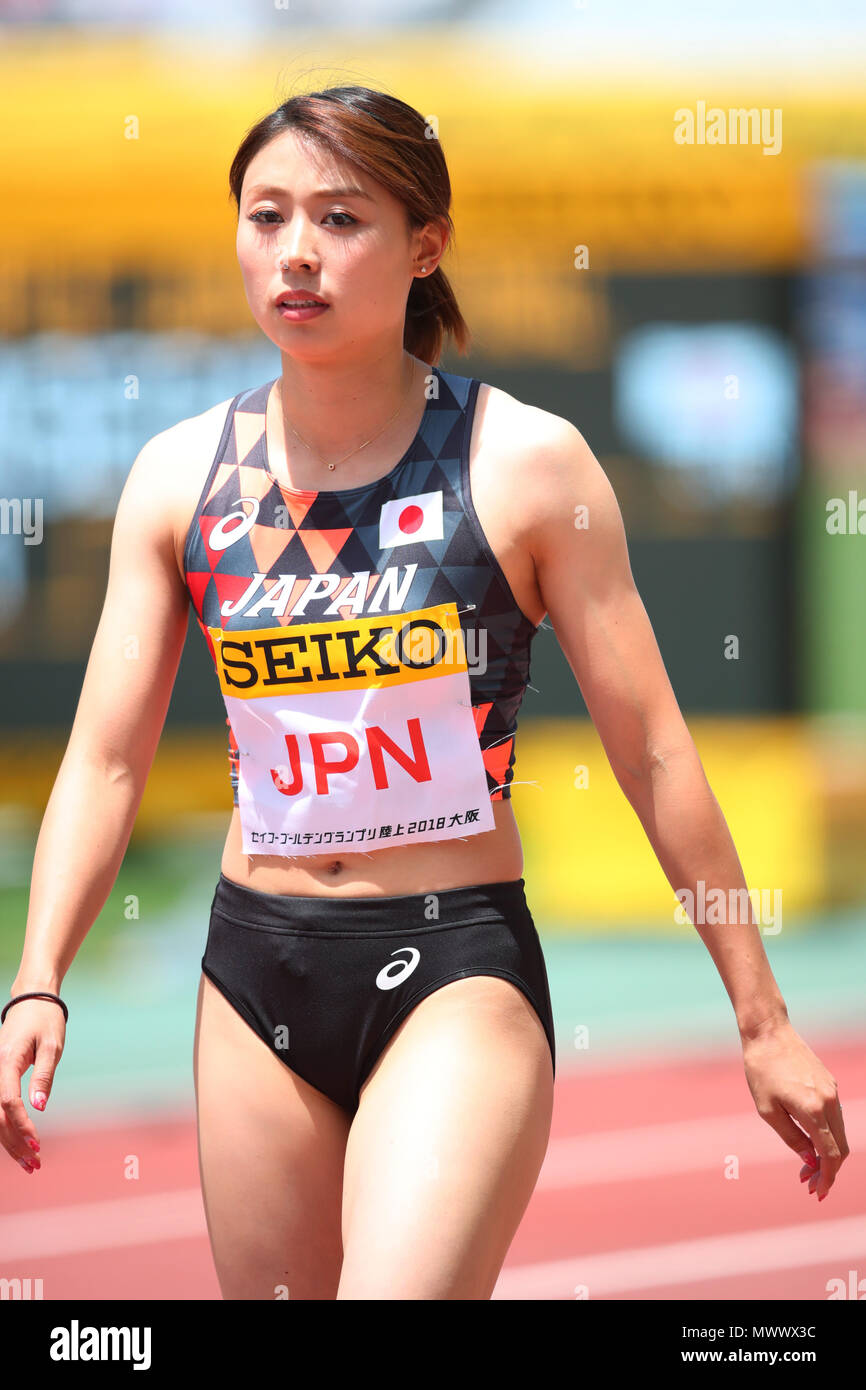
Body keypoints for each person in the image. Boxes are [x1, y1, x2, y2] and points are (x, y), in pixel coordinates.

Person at [0, 85, 848, 1301]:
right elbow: (107, 763)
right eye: (266, 215)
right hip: (253, 972)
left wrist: (760, 1018)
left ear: (424, 245)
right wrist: (39, 976)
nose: (295, 250)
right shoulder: (179, 477)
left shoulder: (523, 463)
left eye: (340, 218)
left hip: (452, 965)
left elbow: (652, 749)